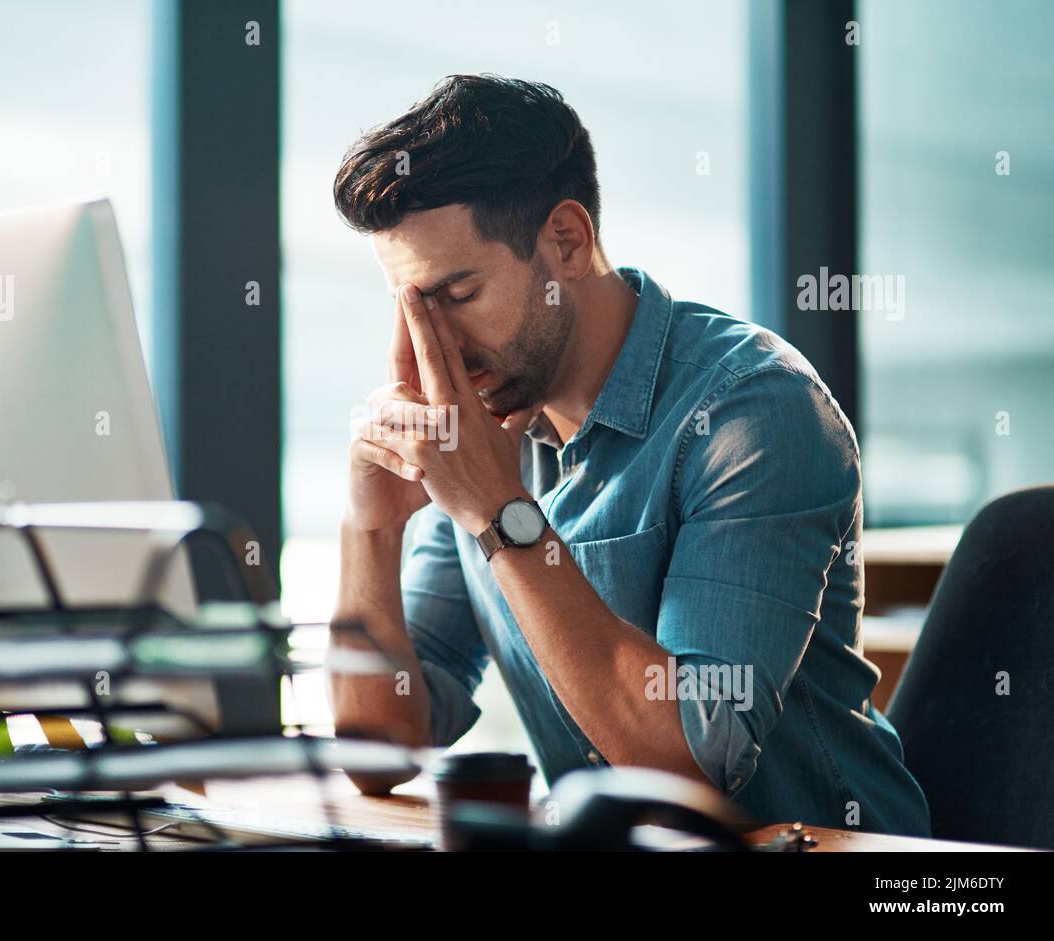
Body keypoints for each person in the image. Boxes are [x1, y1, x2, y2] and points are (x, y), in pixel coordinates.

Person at [327, 74, 929, 835]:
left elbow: (687, 766)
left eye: (456, 294)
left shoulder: (756, 412)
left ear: (567, 242)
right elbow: (382, 749)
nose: (434, 346)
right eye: (410, 307)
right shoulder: (489, 427)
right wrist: (369, 526)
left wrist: (499, 512)